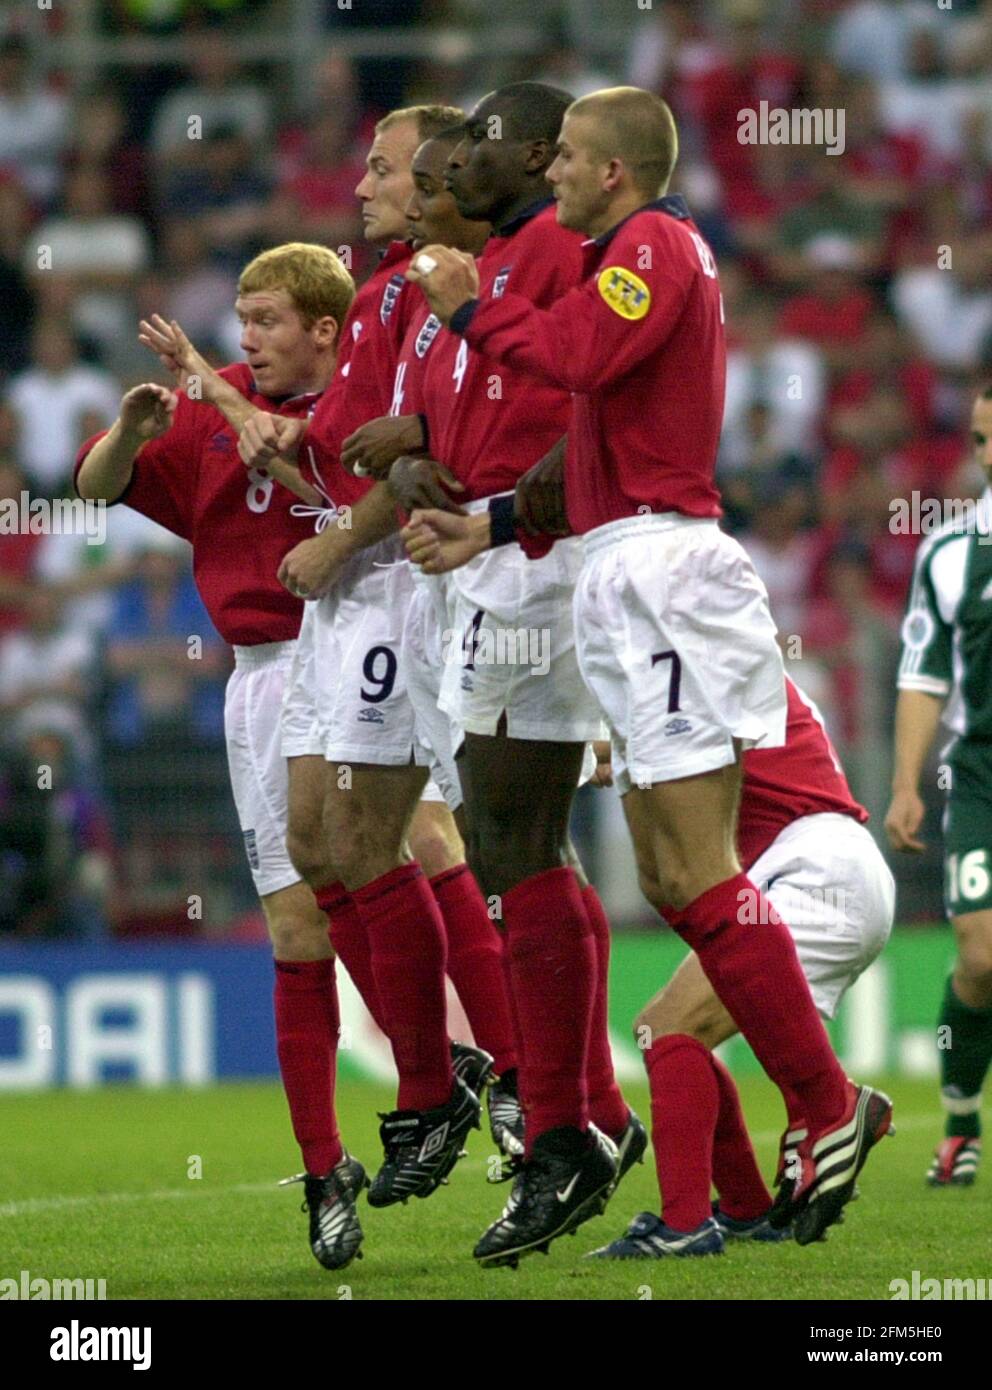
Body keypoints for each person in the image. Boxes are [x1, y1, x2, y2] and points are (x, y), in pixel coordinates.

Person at [404, 84, 894, 1256]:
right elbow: (591, 455)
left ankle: (824, 1105)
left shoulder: (652, 245)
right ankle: (809, 1123)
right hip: (620, 566)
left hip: (666, 570)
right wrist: (498, 528)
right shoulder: (617, 247)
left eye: (569, 155)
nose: (555, 169)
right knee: (678, 881)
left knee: (692, 868)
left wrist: (474, 314)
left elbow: (577, 356)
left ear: (614, 169)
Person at [347, 82, 646, 1263]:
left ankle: (569, 1129)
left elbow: (598, 400)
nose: (450, 162)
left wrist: (519, 509)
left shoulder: (559, 255)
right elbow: (503, 415)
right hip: (498, 565)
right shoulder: (511, 261)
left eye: (473, 141)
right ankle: (586, 1120)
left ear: (525, 154)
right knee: (517, 847)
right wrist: (435, 469)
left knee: (520, 845)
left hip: (541, 575)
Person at [210, 105, 524, 1205]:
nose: (364, 185)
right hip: (343, 601)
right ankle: (461, 1081)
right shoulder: (396, 290)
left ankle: (509, 1083)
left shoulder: (449, 285)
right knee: (324, 841)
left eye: (386, 169)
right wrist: (291, 441)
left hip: (397, 584)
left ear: (445, 178)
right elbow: (362, 442)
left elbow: (424, 448)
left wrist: (344, 525)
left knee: (433, 838)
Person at [75, 241, 372, 1272]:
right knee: (297, 926)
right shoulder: (207, 407)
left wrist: (249, 418)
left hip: (362, 644)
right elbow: (95, 485)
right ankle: (327, 1170)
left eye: (267, 321)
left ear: (323, 327)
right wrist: (131, 429)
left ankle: (476, 1080)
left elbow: (353, 496)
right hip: (261, 677)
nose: (246, 340)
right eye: (239, 322)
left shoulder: (362, 399)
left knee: (415, 863)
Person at [590, 678, 894, 1258]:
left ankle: (683, 1227)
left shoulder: (701, 666)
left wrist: (581, 754)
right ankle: (749, 1211)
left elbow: (665, 726)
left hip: (814, 872)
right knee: (664, 1027)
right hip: (823, 867)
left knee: (673, 1029)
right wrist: (613, 755)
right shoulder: (717, 663)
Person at [885, 384, 992, 1189]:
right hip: (982, 768)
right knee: (981, 956)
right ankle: (960, 1120)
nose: (988, 457)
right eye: (983, 441)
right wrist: (905, 784)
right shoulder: (951, 550)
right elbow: (922, 673)